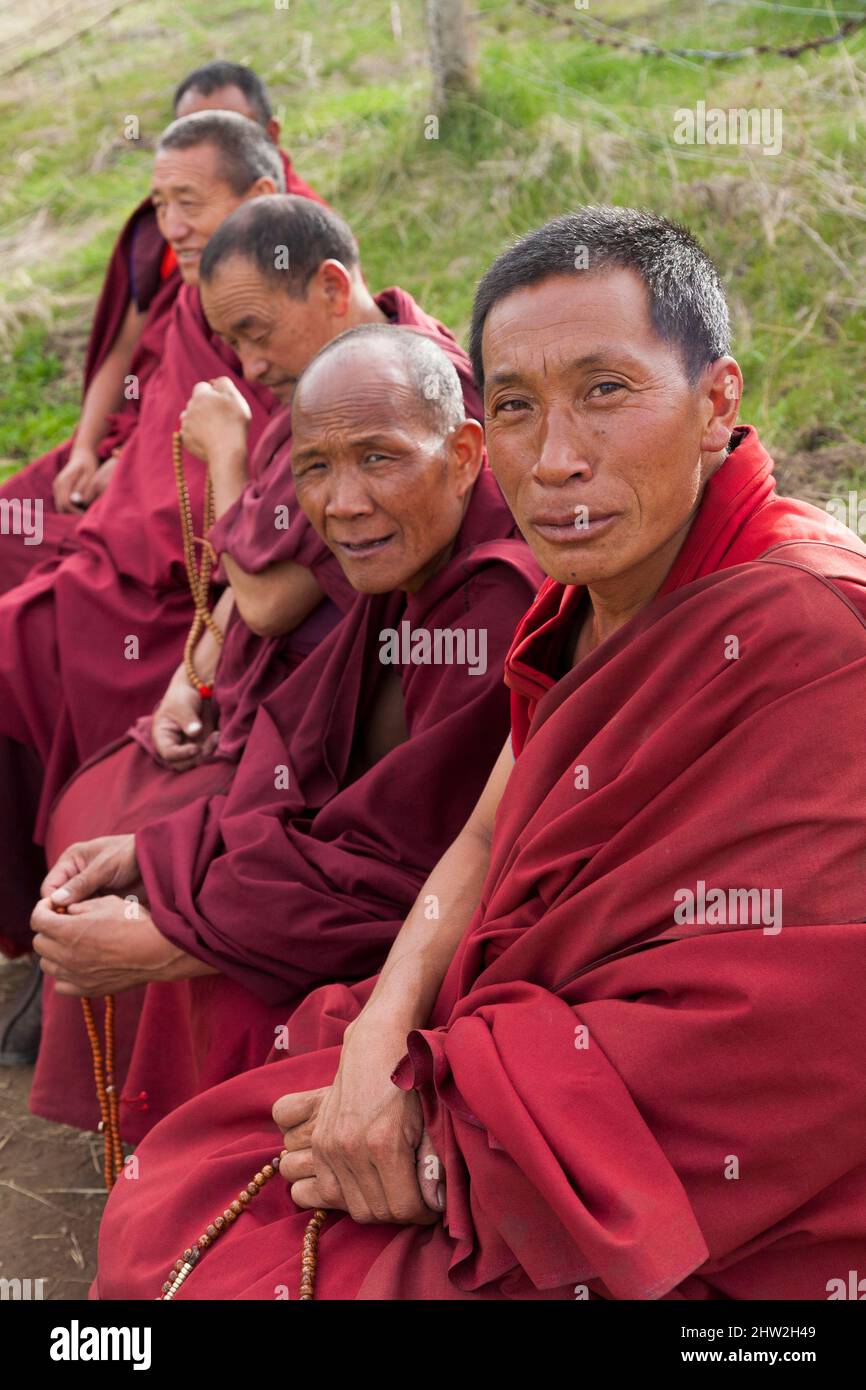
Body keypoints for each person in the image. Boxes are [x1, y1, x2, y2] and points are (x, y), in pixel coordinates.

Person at [94, 208, 866, 1301]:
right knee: (187, 1176)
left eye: (603, 390)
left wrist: (440, 1151)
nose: (553, 460)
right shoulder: (592, 583)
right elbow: (487, 826)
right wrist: (379, 1027)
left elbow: (797, 1041)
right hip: (514, 1066)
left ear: (715, 403)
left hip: (678, 1191)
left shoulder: (811, 636)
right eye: (514, 406)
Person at [29, 326, 541, 1142]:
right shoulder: (402, 556)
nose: (342, 503)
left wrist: (172, 938)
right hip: (361, 883)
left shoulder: (499, 601)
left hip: (463, 950)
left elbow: (426, 871)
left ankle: (209, 1199)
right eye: (314, 467)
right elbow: (305, 758)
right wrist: (156, 853)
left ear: (465, 453)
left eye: (379, 458)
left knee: (228, 988)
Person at [0, 113, 320, 1055]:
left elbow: (260, 568)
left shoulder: (312, 338)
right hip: (143, 552)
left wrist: (220, 457)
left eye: (189, 200)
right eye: (161, 201)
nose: (169, 221)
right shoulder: (213, 301)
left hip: (189, 586)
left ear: (261, 200)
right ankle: (33, 940)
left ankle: (46, 953)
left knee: (27, 646)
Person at [0, 62, 320, 594]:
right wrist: (87, 447)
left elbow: (260, 409)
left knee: (57, 593)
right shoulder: (180, 232)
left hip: (172, 478)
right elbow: (130, 350)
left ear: (267, 137)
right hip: (132, 436)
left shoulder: (296, 246)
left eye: (222, 129)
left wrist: (135, 467)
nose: (172, 225)